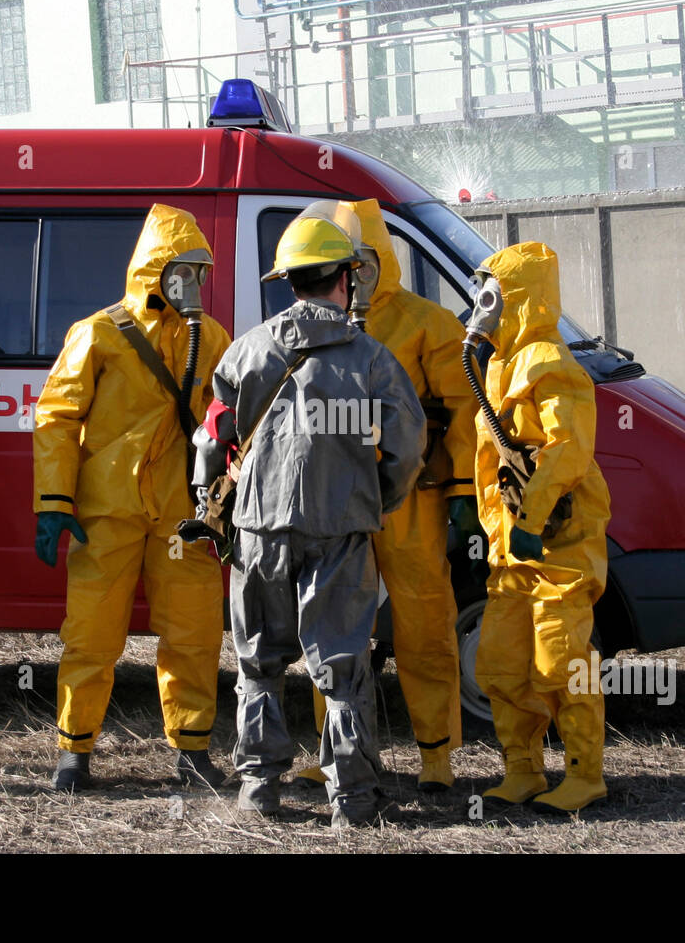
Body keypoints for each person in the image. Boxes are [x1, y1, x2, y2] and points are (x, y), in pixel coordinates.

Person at [193, 202, 425, 827]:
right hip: (341, 533)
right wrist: (372, 496)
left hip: (258, 532)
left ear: (288, 280)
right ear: (345, 278)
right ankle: (351, 800)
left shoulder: (244, 353)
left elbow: (212, 438)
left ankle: (257, 791)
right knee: (343, 670)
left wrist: (209, 498)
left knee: (258, 664)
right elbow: (406, 448)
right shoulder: (372, 359)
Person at [33, 204, 231, 792]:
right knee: (91, 634)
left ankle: (193, 751)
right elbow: (57, 417)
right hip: (108, 512)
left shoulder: (212, 338)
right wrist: (54, 501)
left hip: (183, 515)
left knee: (193, 633)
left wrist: (222, 500)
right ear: (157, 272)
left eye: (201, 273)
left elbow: (227, 420)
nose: (194, 285)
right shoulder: (98, 334)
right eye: (185, 271)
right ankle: (74, 752)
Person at [293, 198, 478, 794]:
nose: (360, 276)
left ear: (383, 261)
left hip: (409, 499)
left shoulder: (429, 324)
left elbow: (463, 413)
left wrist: (462, 491)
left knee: (424, 624)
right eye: (350, 265)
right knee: (332, 627)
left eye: (367, 262)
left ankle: (437, 760)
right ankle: (335, 757)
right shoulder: (316, 326)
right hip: (340, 500)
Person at [465, 241, 611, 813]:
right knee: (500, 664)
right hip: (512, 550)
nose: (480, 308)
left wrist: (529, 519)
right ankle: (521, 769)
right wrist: (482, 516)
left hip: (559, 546)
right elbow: (490, 456)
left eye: (491, 295)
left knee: (560, 660)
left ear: (517, 300)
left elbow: (567, 450)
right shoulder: (497, 365)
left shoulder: (550, 361)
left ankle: (584, 773)